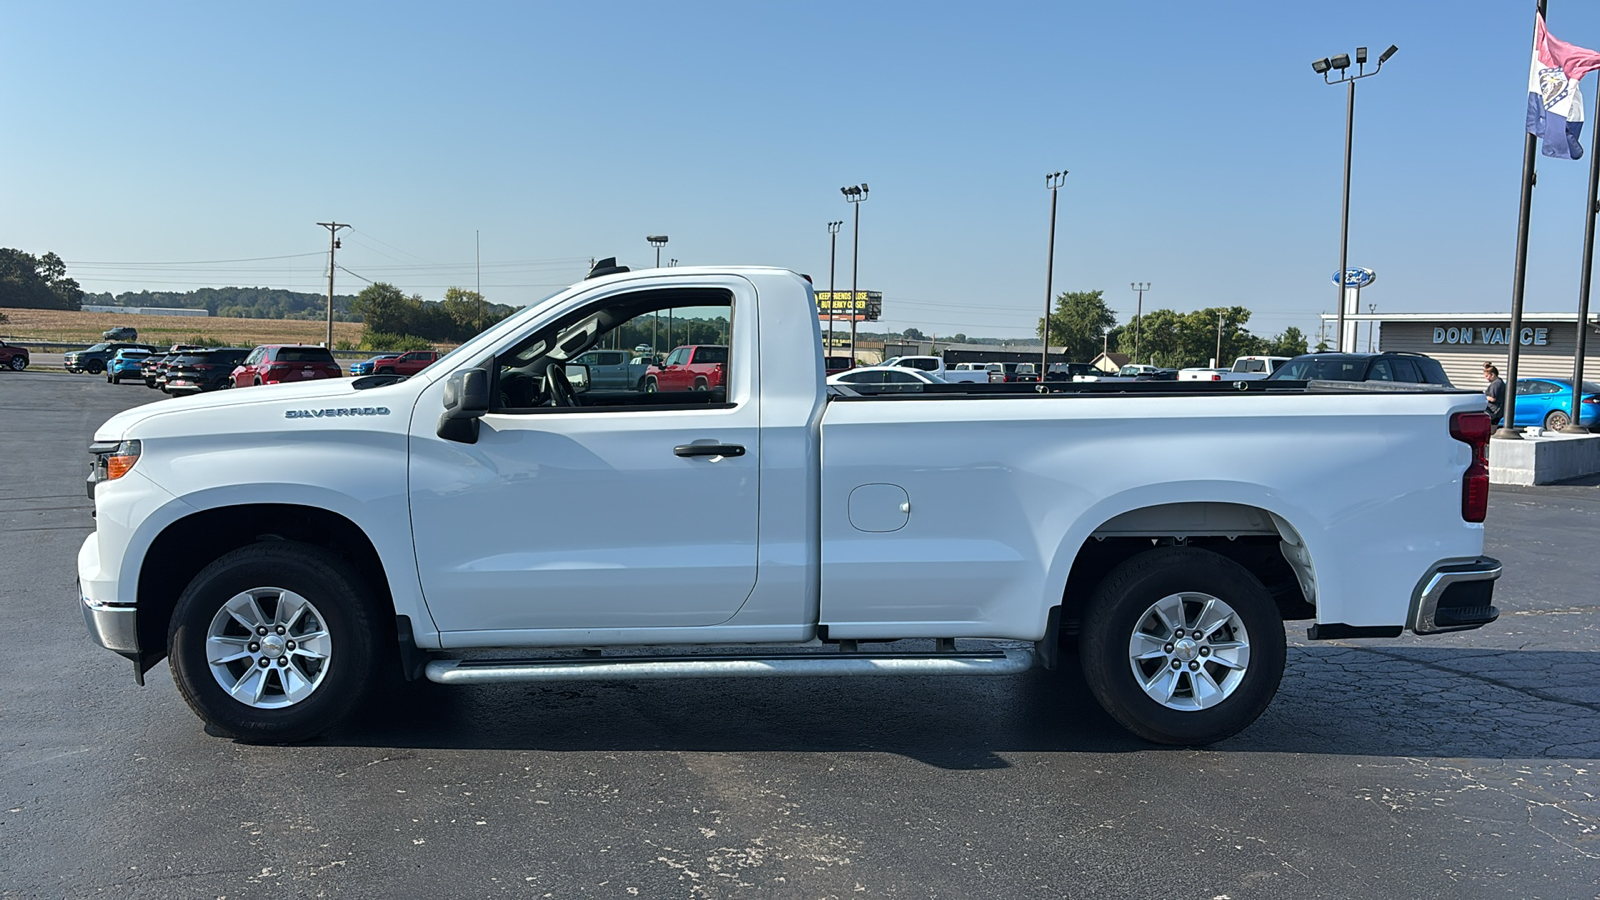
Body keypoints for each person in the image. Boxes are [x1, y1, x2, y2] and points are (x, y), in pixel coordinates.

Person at [1484, 363, 1506, 428]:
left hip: (1494, 411)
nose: (1486, 378)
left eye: (1487, 376)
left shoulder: (1495, 384)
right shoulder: (1499, 382)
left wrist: (1484, 396)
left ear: (1492, 375)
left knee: (1491, 429)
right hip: (1496, 411)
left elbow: (1493, 398)